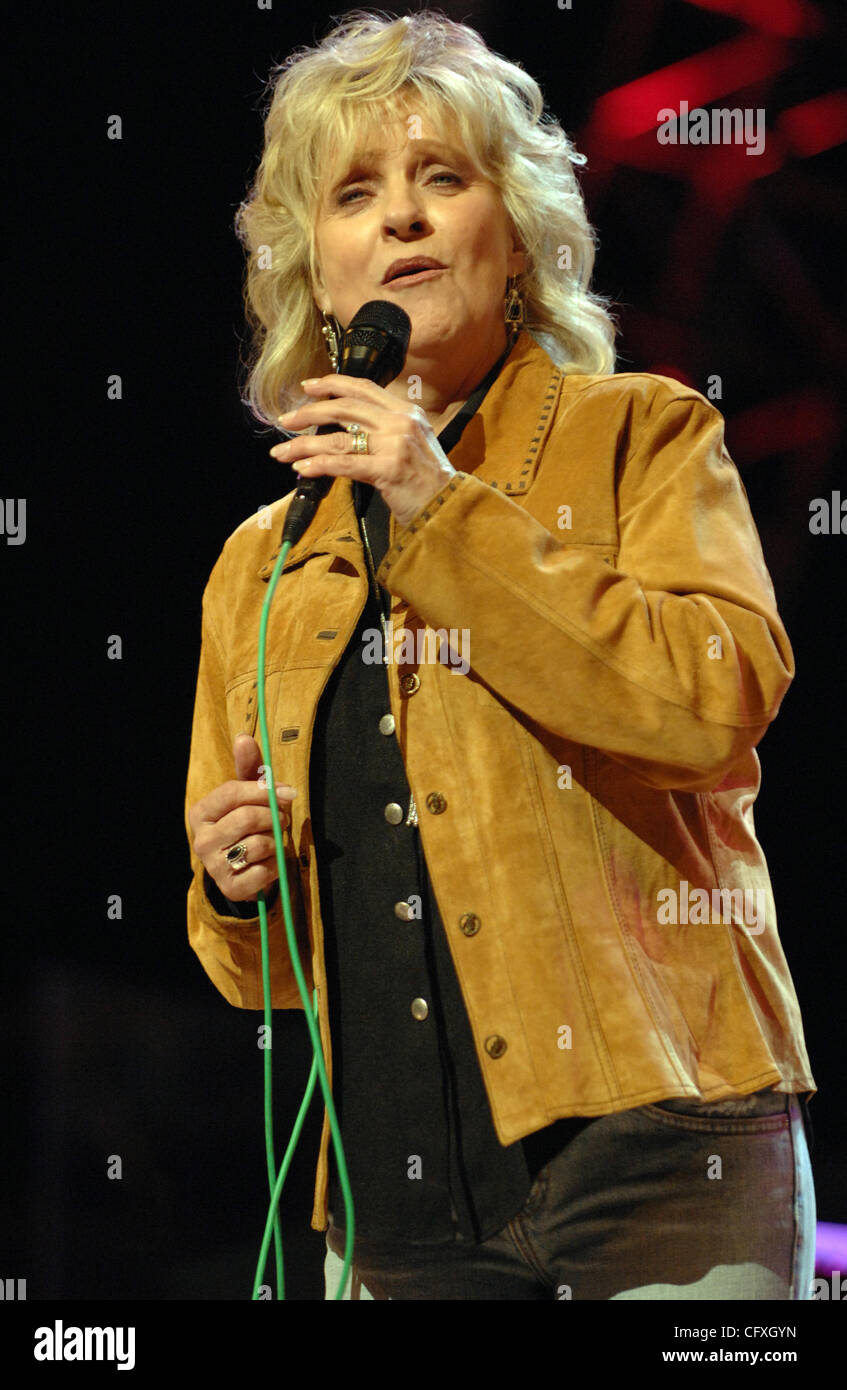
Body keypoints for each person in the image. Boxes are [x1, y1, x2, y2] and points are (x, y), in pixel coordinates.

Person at [185, 10, 816, 1301]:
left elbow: (713, 699)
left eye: (444, 180)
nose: (403, 219)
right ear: (317, 266)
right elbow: (266, 971)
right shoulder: (261, 562)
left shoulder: (645, 436)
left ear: (516, 237)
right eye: (357, 193)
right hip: (395, 1202)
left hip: (657, 1158)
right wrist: (236, 886)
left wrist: (438, 499)